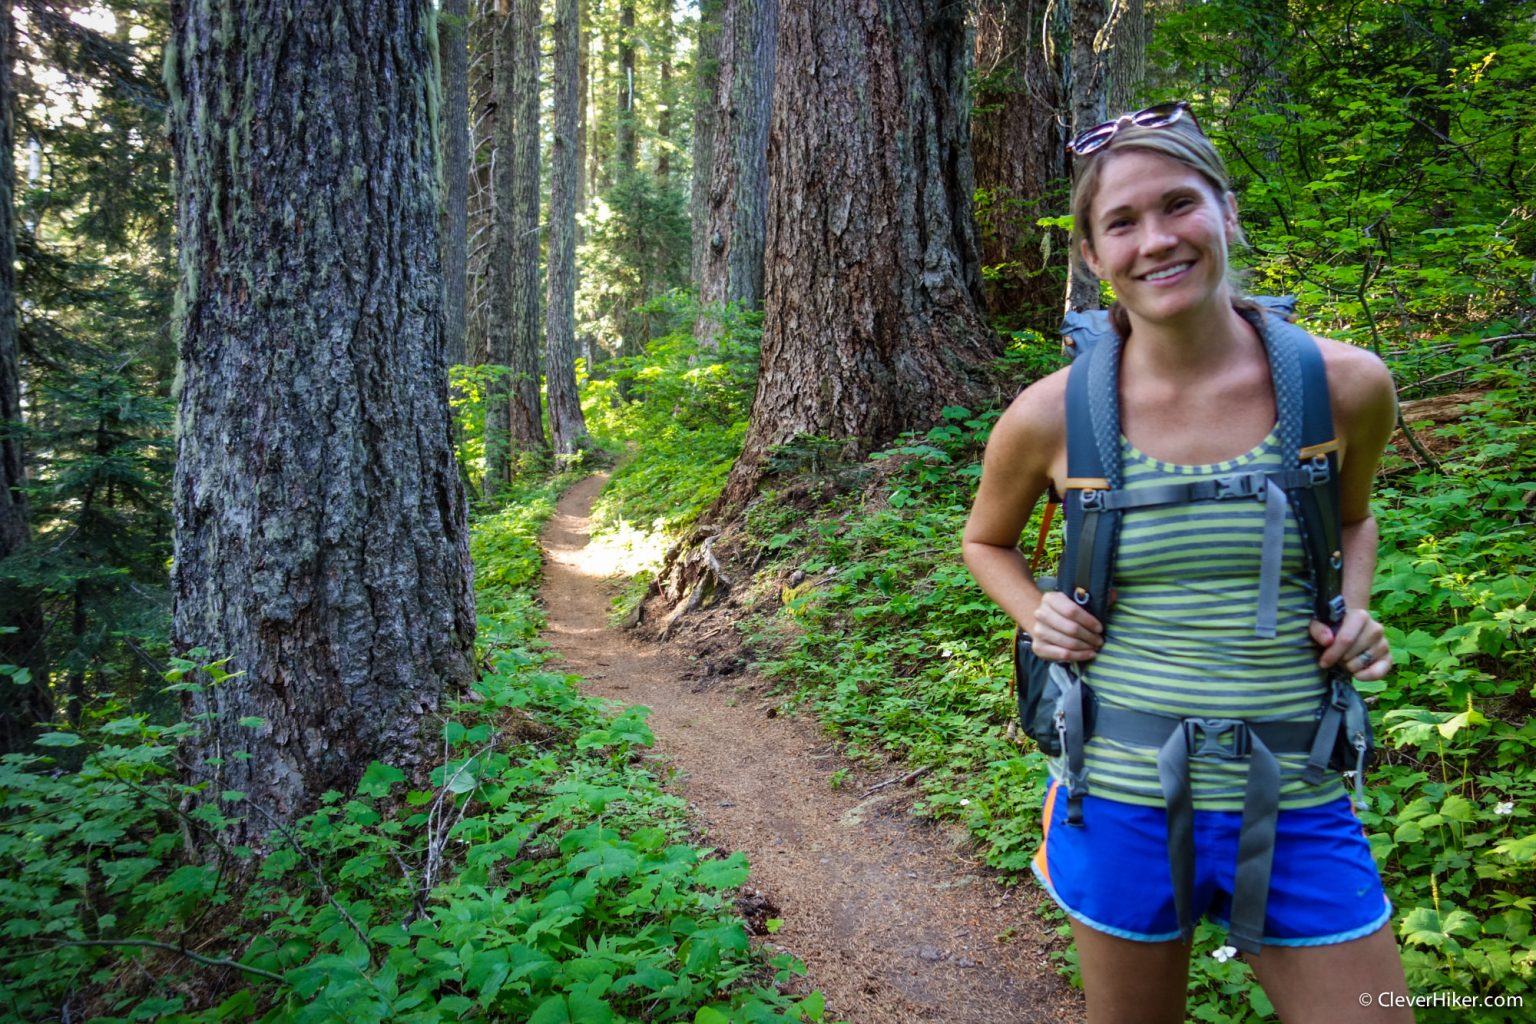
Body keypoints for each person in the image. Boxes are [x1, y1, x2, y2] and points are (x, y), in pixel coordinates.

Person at [961, 101, 1411, 1023]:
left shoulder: (1344, 386)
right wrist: (1035, 612)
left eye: (1178, 204)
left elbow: (1354, 521)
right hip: (1116, 797)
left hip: (1298, 793)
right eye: (1122, 221)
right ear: (1092, 254)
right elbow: (985, 541)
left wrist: (1352, 610)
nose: (1156, 240)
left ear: (1226, 212)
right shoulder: (1050, 415)